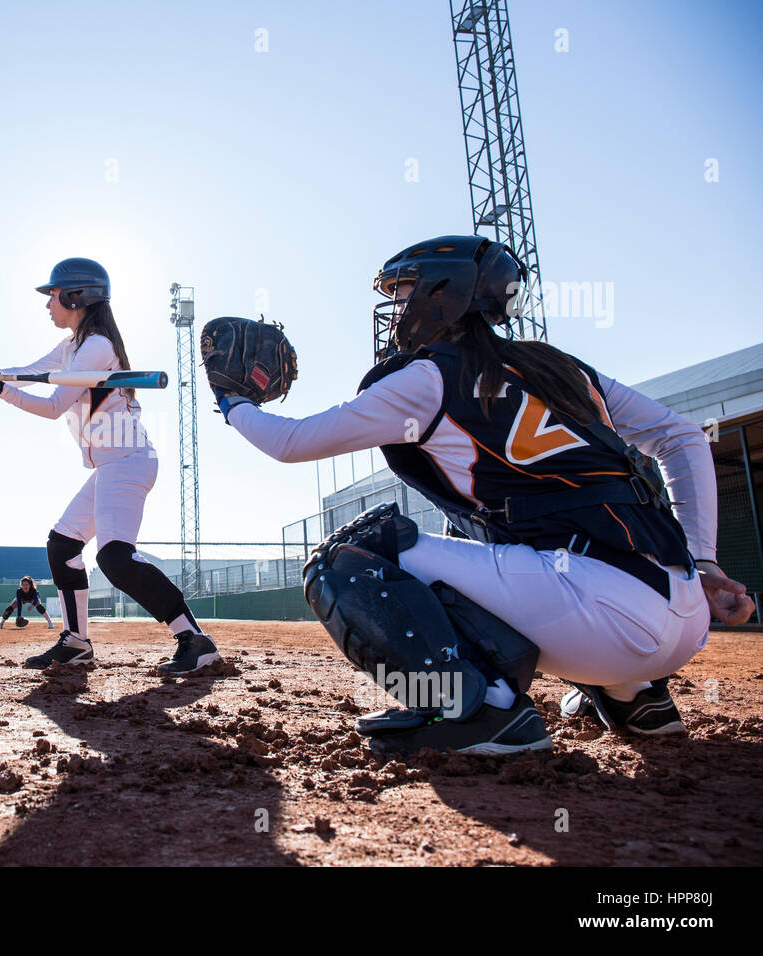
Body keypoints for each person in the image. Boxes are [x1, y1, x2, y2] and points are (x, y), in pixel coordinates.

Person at [211, 235, 754, 755]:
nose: (396, 309)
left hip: (607, 618)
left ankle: (481, 712)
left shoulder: (429, 376)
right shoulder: (558, 366)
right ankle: (636, 696)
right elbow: (682, 435)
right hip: (683, 614)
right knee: (475, 530)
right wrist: (703, 559)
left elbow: (291, 443)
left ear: (441, 295)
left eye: (403, 293)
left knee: (344, 558)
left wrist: (232, 401)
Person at [0, 257, 221, 675]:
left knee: (115, 560)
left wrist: (0, 392)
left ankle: (195, 639)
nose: (48, 304)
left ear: (77, 296)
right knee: (62, 547)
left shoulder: (97, 347)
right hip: (109, 466)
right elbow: (34, 372)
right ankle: (76, 642)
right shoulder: (73, 347)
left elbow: (52, 406)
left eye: (53, 295)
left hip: (128, 461)